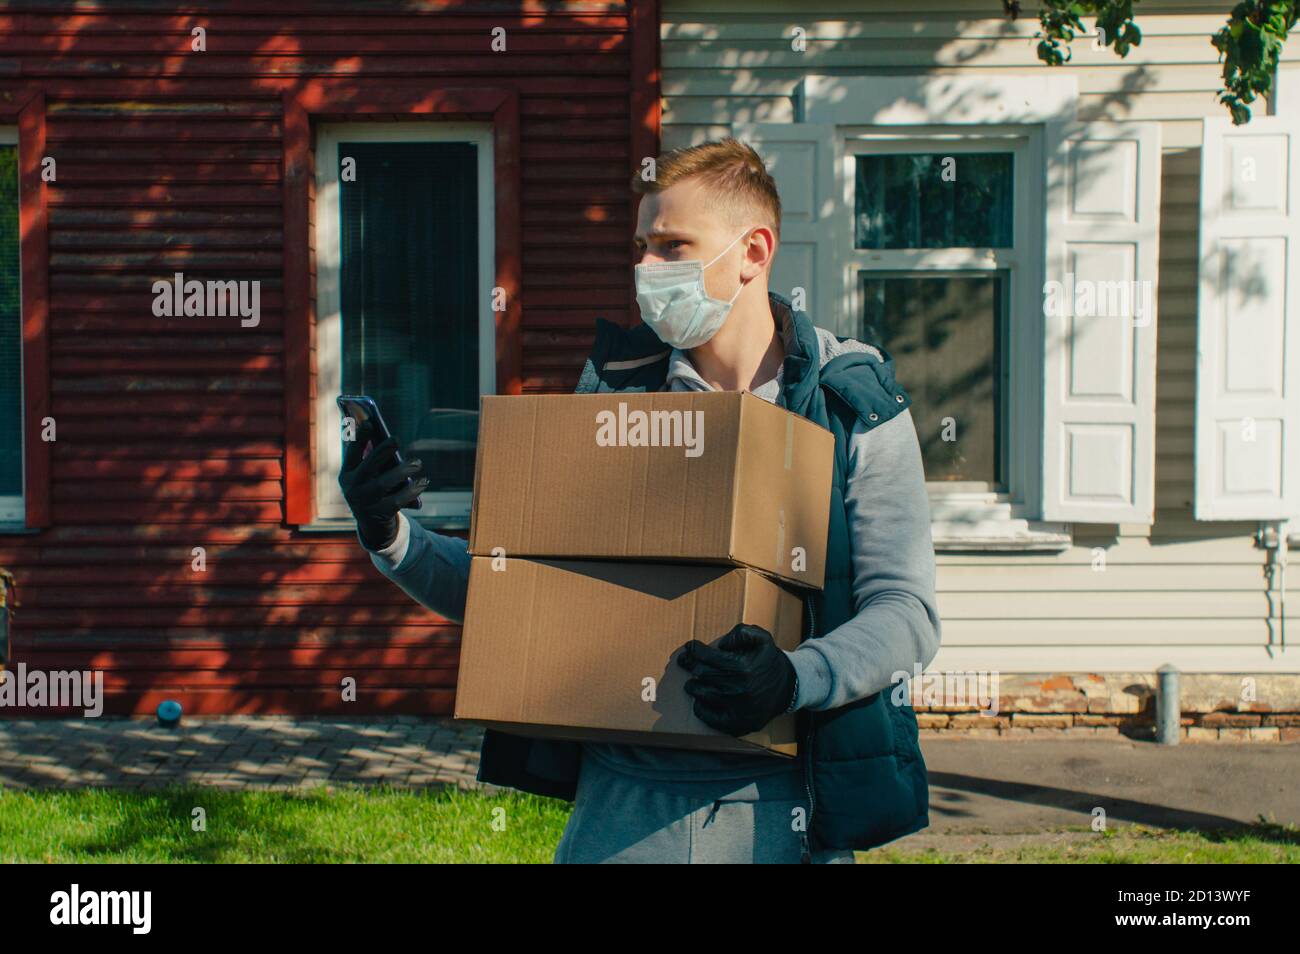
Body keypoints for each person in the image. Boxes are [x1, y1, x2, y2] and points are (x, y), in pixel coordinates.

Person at [339, 138, 941, 864]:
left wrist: (793, 675)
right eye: (640, 247)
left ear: (754, 251)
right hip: (617, 813)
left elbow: (906, 613)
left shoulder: (856, 408)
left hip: (782, 812)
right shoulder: (613, 399)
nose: (645, 271)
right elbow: (520, 596)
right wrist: (390, 534)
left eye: (672, 246)